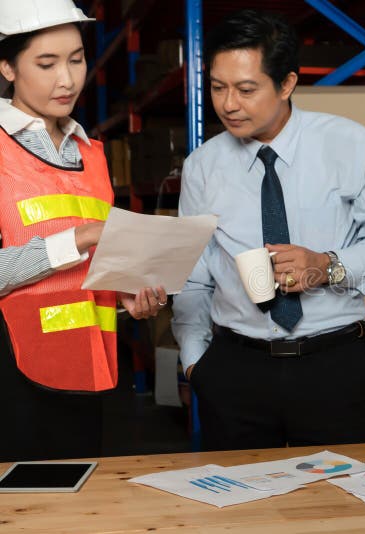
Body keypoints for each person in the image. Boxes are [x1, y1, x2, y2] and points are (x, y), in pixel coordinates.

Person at [171, 10, 365, 451]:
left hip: (331, 368)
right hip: (235, 370)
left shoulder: (350, 145)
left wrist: (328, 266)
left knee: (339, 511)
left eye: (246, 89)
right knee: (240, 512)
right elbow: (193, 275)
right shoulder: (202, 167)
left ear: (286, 84)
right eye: (218, 87)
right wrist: (194, 361)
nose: (228, 104)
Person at [0, 0, 167, 461]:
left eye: (76, 59)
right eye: (46, 63)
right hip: (12, 377)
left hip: (89, 374)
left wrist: (127, 297)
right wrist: (80, 238)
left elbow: (85, 281)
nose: (67, 79)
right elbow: (82, 241)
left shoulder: (91, 153)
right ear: (7, 67)